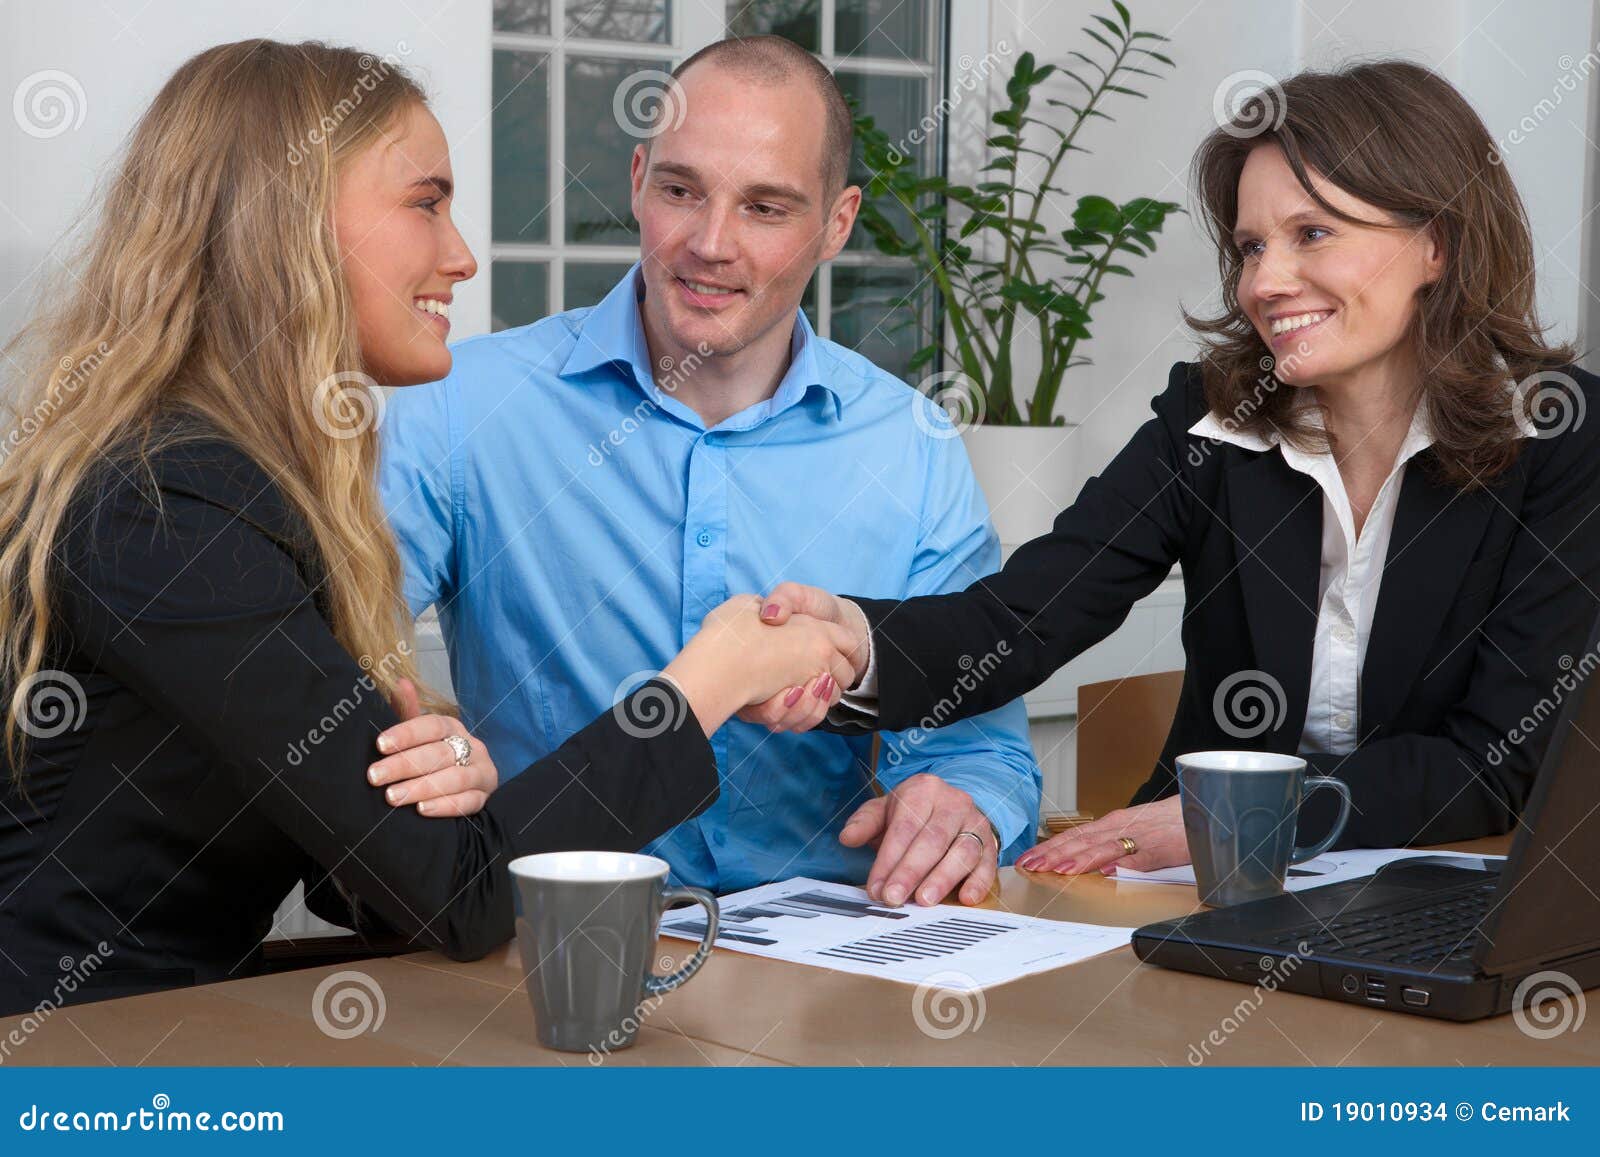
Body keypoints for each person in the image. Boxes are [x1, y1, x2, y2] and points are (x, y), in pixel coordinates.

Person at [0, 39, 856, 1017]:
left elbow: (370, 872)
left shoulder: (245, 487)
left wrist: (440, 766)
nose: (462, 255)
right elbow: (464, 893)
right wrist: (709, 680)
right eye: (425, 202)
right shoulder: (165, 508)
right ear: (289, 222)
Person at [748, 60, 1600, 883]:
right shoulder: (1211, 416)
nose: (1266, 281)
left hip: (1445, 895)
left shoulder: (1561, 439)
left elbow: (1496, 761)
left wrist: (1245, 814)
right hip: (1194, 893)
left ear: (1436, 245)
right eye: (1252, 245)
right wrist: (853, 644)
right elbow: (1023, 617)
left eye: (1312, 234)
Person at [379, 36, 1040, 912]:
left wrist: (962, 808)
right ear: (638, 179)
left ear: (836, 224)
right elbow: (337, 663)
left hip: (827, 973)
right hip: (541, 942)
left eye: (766, 207)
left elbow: (978, 743)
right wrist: (428, 738)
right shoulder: (464, 406)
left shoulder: (909, 444)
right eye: (682, 191)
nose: (710, 244)